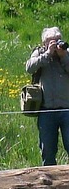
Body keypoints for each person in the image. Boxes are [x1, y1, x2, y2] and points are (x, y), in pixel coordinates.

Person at [26, 26, 69, 166]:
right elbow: (29, 67)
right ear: (45, 43)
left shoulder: (66, 53)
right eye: (52, 41)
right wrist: (47, 54)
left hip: (67, 110)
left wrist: (63, 57)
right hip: (46, 111)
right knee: (48, 150)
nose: (56, 44)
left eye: (58, 40)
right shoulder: (39, 53)